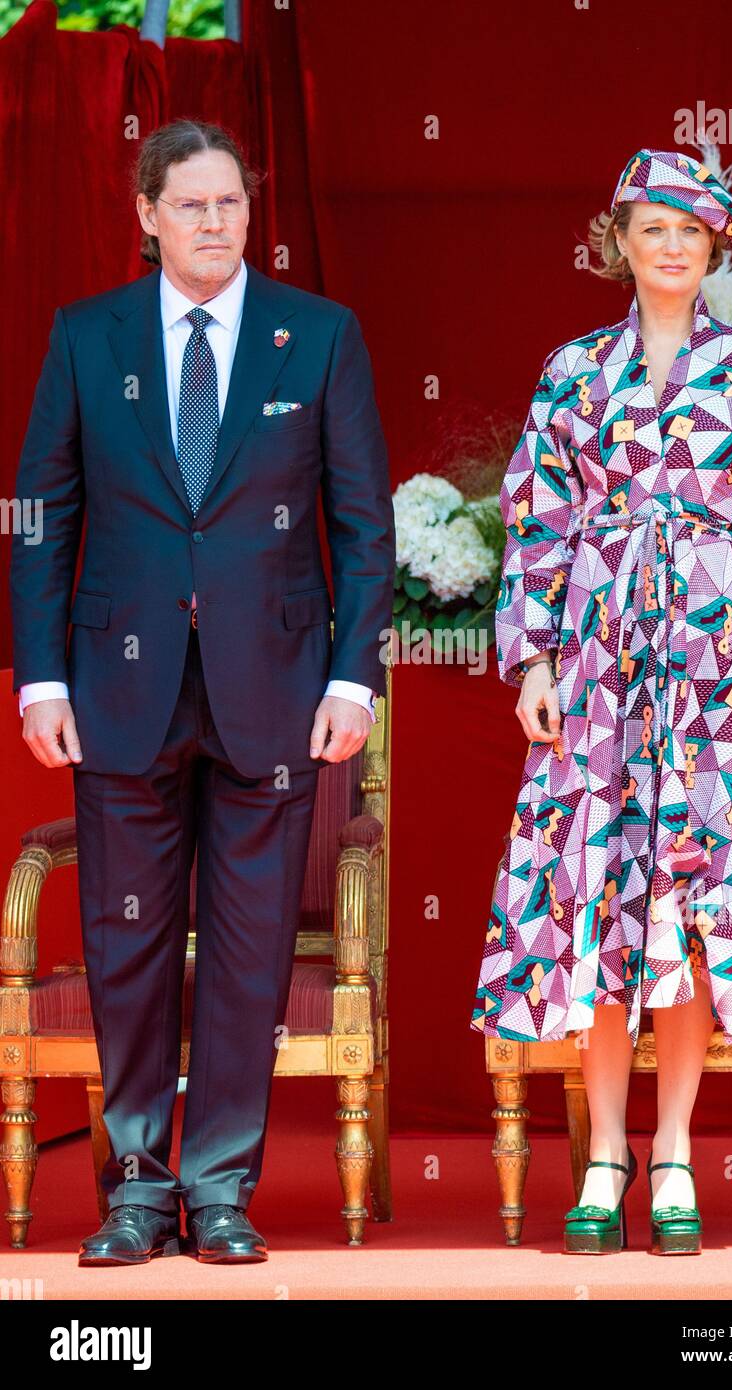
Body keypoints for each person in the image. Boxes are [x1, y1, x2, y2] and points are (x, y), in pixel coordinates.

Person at [10, 118, 395, 1265]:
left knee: (246, 949)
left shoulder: (317, 336)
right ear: (146, 213)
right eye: (190, 204)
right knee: (127, 945)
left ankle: (220, 1185)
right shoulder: (86, 338)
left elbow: (362, 525)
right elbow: (40, 521)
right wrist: (40, 675)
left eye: (230, 203)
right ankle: (135, 1190)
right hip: (117, 689)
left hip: (272, 689)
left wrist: (351, 674)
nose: (214, 223)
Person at [470, 147, 732, 1255]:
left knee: (681, 901)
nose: (670, 247)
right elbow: (532, 524)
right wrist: (530, 660)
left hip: (715, 674)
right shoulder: (572, 369)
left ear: (712, 247)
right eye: (650, 228)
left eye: (690, 231)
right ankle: (604, 1152)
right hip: (595, 665)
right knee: (598, 898)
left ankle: (672, 1149)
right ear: (616, 240)